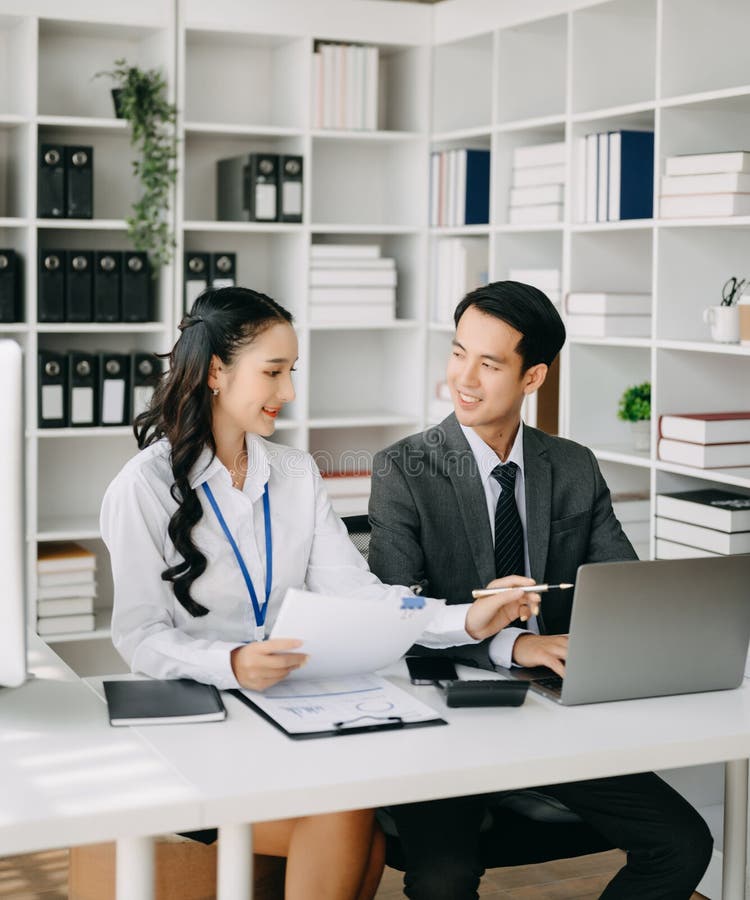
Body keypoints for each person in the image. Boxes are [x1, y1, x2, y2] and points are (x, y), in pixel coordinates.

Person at [100, 285, 540, 900]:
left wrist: (467, 618)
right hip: (198, 721)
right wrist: (230, 662)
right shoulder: (142, 487)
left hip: (286, 706)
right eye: (274, 373)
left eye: (292, 372)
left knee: (357, 820)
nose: (289, 393)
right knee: (348, 820)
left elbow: (358, 592)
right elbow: (139, 637)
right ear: (217, 373)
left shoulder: (295, 472)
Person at [368, 281, 713, 900]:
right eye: (457, 353)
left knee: (683, 844)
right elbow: (399, 617)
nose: (463, 379)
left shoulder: (572, 464)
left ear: (533, 378)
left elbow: (622, 590)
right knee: (444, 876)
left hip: (555, 712)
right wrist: (512, 647)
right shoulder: (404, 469)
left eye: (490, 363)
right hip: (446, 713)